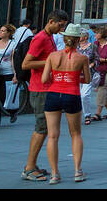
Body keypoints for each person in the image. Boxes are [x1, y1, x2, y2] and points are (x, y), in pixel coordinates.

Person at [19, 10, 69, 182]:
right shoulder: (40, 38)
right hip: (40, 89)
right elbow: (26, 64)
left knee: (44, 129)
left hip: (47, 87)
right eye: (60, 25)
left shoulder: (49, 38)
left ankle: (32, 165)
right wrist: (51, 62)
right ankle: (29, 167)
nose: (62, 29)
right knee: (41, 128)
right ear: (51, 21)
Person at [41, 23, 90, 183]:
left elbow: (44, 79)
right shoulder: (82, 58)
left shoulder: (53, 56)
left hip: (54, 94)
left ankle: (55, 174)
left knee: (52, 136)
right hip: (72, 94)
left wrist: (58, 77)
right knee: (75, 134)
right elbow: (87, 79)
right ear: (77, 40)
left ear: (64, 38)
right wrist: (74, 77)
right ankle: (77, 171)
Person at [77, 29, 97, 124]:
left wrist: (92, 64)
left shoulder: (92, 46)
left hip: (88, 73)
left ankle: (87, 115)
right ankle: (77, 113)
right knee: (77, 95)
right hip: (76, 73)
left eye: (80, 35)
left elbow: (97, 59)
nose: (78, 37)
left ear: (85, 37)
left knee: (85, 95)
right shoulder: (75, 46)